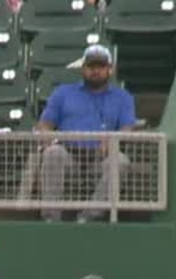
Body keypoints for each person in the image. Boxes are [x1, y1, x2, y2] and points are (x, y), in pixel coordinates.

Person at [33, 44, 137, 223]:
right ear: (83, 68)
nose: (96, 71)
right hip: (69, 155)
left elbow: (127, 127)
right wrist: (49, 138)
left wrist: (113, 141)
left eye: (101, 66)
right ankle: (51, 219)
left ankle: (88, 218)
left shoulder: (123, 97)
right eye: (91, 66)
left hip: (100, 157)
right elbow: (45, 124)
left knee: (120, 161)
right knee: (53, 153)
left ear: (110, 69)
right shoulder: (63, 93)